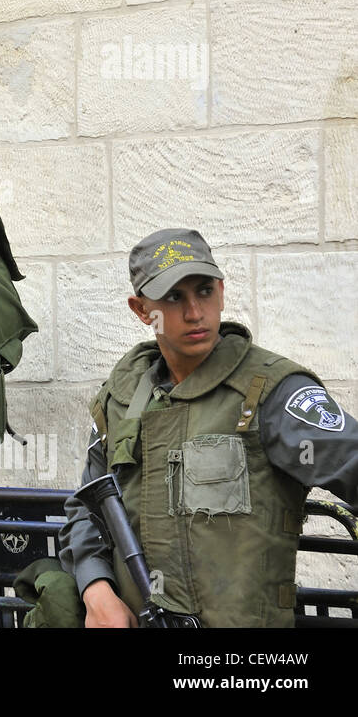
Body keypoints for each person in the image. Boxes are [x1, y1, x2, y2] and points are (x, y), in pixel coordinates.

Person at [59, 228, 358, 628]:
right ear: (141, 309)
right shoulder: (122, 398)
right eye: (172, 297)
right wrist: (95, 588)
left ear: (221, 291)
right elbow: (87, 508)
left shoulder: (269, 393)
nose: (194, 313)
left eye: (203, 291)